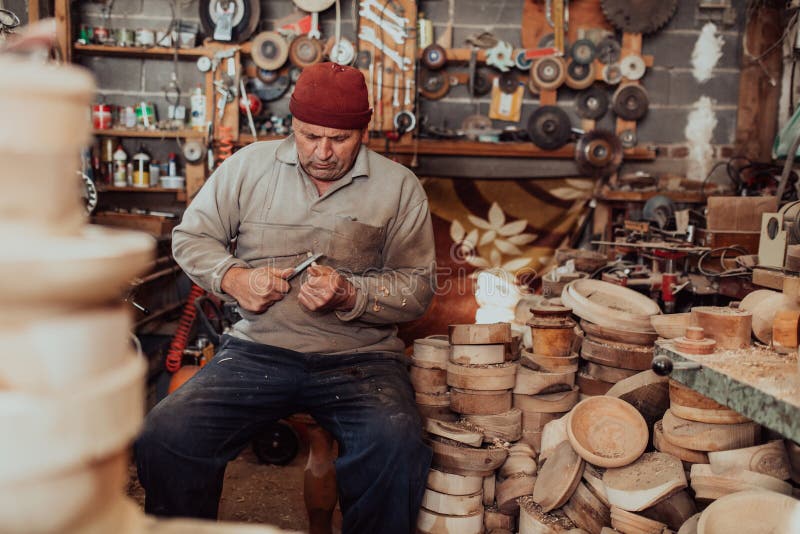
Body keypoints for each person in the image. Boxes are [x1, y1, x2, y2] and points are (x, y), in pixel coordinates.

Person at [134, 62, 436, 533]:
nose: (322, 152)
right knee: (168, 432)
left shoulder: (398, 188)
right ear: (291, 125)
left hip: (360, 359)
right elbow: (191, 238)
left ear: (363, 130)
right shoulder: (248, 168)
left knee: (395, 445)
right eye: (309, 135)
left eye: (339, 139)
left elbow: (416, 289)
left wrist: (350, 293)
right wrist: (235, 278)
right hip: (257, 351)